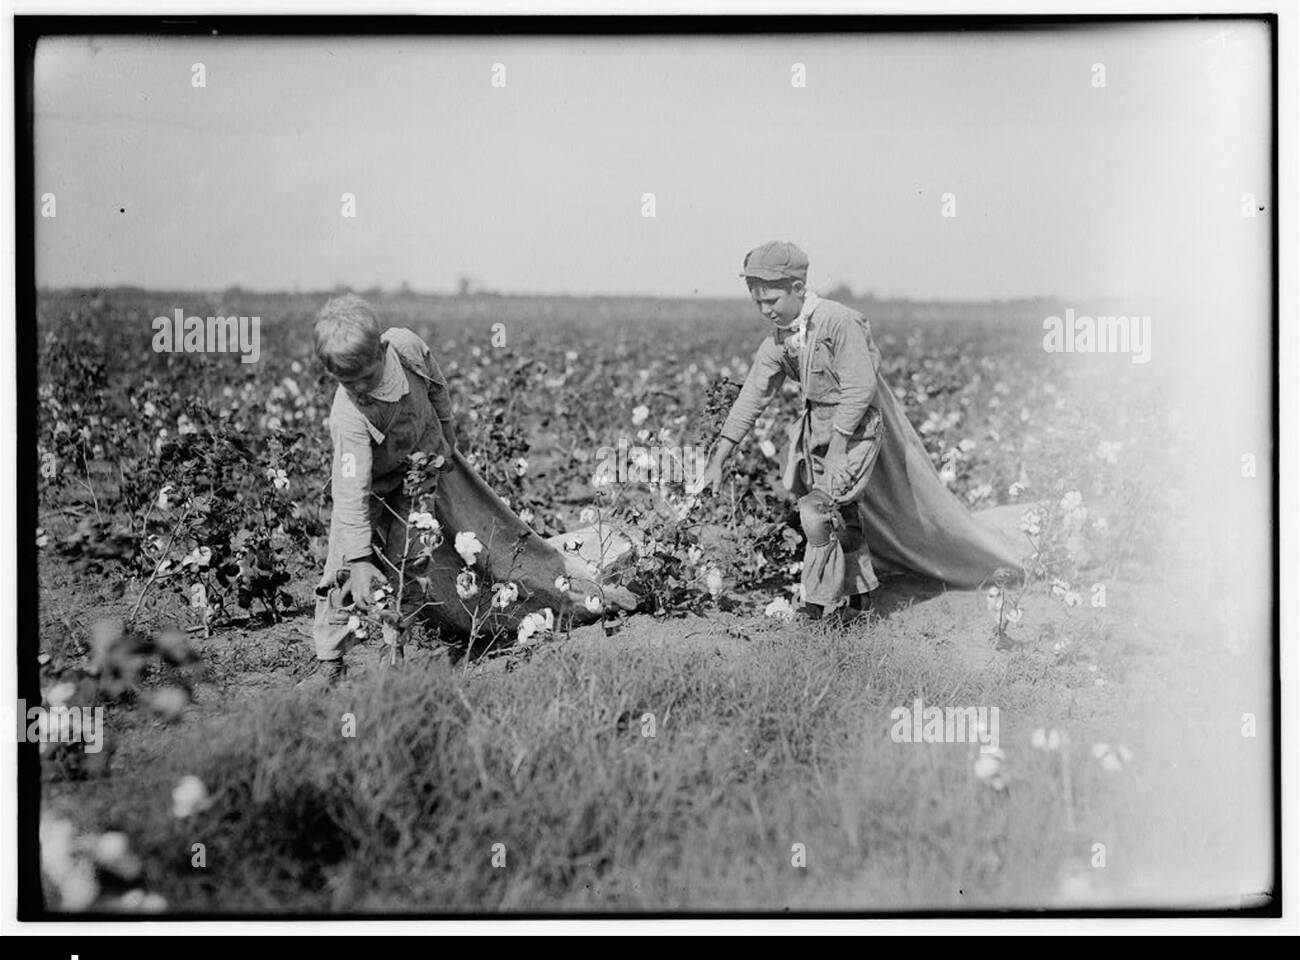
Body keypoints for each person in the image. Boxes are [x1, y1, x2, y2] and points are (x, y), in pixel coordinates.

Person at [300, 295, 632, 688]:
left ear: (383, 351)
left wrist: (446, 435)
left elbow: (437, 388)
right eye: (345, 381)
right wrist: (357, 559)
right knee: (342, 568)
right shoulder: (349, 415)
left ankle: (398, 650)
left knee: (420, 555)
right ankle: (331, 660)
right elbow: (351, 488)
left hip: (424, 468)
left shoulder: (405, 348)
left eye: (365, 377)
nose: (357, 388)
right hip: (369, 487)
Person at [690, 242, 1027, 620]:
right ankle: (859, 598)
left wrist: (837, 447)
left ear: (798, 289)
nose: (766, 310)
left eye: (771, 300)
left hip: (857, 427)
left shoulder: (839, 322)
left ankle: (817, 606)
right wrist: (719, 456)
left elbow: (859, 388)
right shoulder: (781, 340)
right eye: (758, 303)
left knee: (818, 510)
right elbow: (753, 395)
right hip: (819, 432)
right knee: (843, 512)